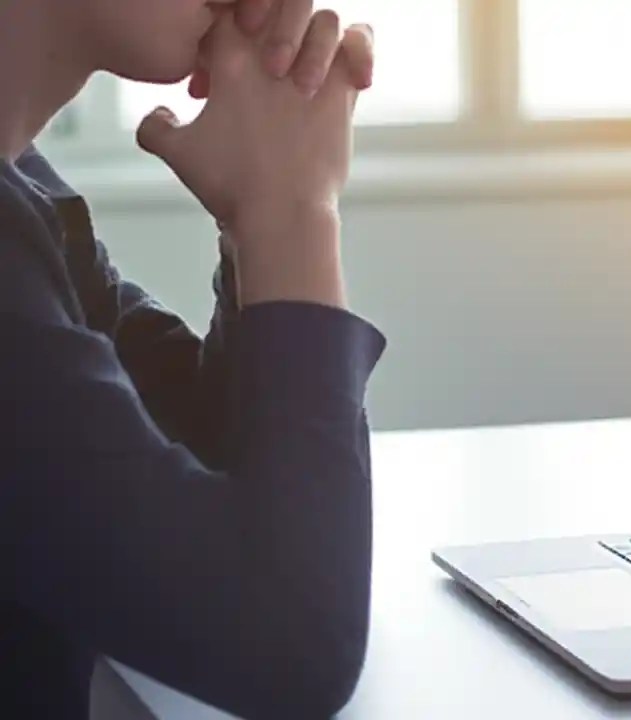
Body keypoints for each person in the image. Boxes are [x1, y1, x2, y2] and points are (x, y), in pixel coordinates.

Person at [1, 0, 383, 716]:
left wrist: (255, 225)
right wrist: (294, 212)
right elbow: (289, 645)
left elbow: (205, 467)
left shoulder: (24, 187)